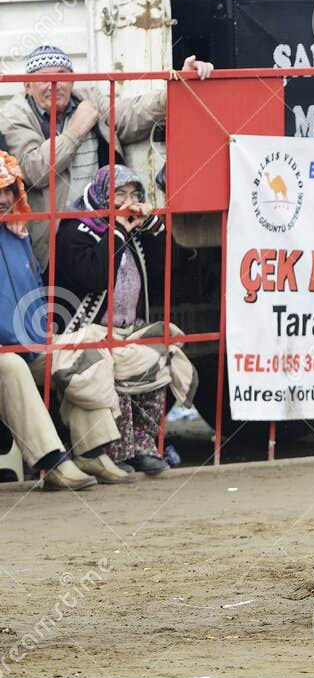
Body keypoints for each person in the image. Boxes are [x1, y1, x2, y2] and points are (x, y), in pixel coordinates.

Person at [0, 43, 208, 263]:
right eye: (43, 79)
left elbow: (129, 116)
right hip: (54, 237)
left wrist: (175, 90)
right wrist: (75, 131)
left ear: (72, 80)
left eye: (62, 76)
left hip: (106, 223)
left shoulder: (88, 99)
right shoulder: (15, 115)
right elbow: (35, 171)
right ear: (27, 85)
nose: (55, 85)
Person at [53, 165, 197, 476]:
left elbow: (172, 271)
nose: (128, 201)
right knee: (109, 362)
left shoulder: (133, 231)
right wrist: (117, 230)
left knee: (155, 354)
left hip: (128, 329)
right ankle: (115, 449)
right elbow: (93, 277)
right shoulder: (75, 229)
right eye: (120, 194)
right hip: (84, 332)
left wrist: (153, 225)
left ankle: (143, 446)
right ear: (102, 194)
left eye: (135, 194)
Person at [0, 153, 107, 491]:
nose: (4, 198)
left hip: (26, 342)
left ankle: (94, 449)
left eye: (8, 189)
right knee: (11, 366)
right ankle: (52, 462)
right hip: (7, 352)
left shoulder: (18, 233)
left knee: (81, 345)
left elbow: (29, 292)